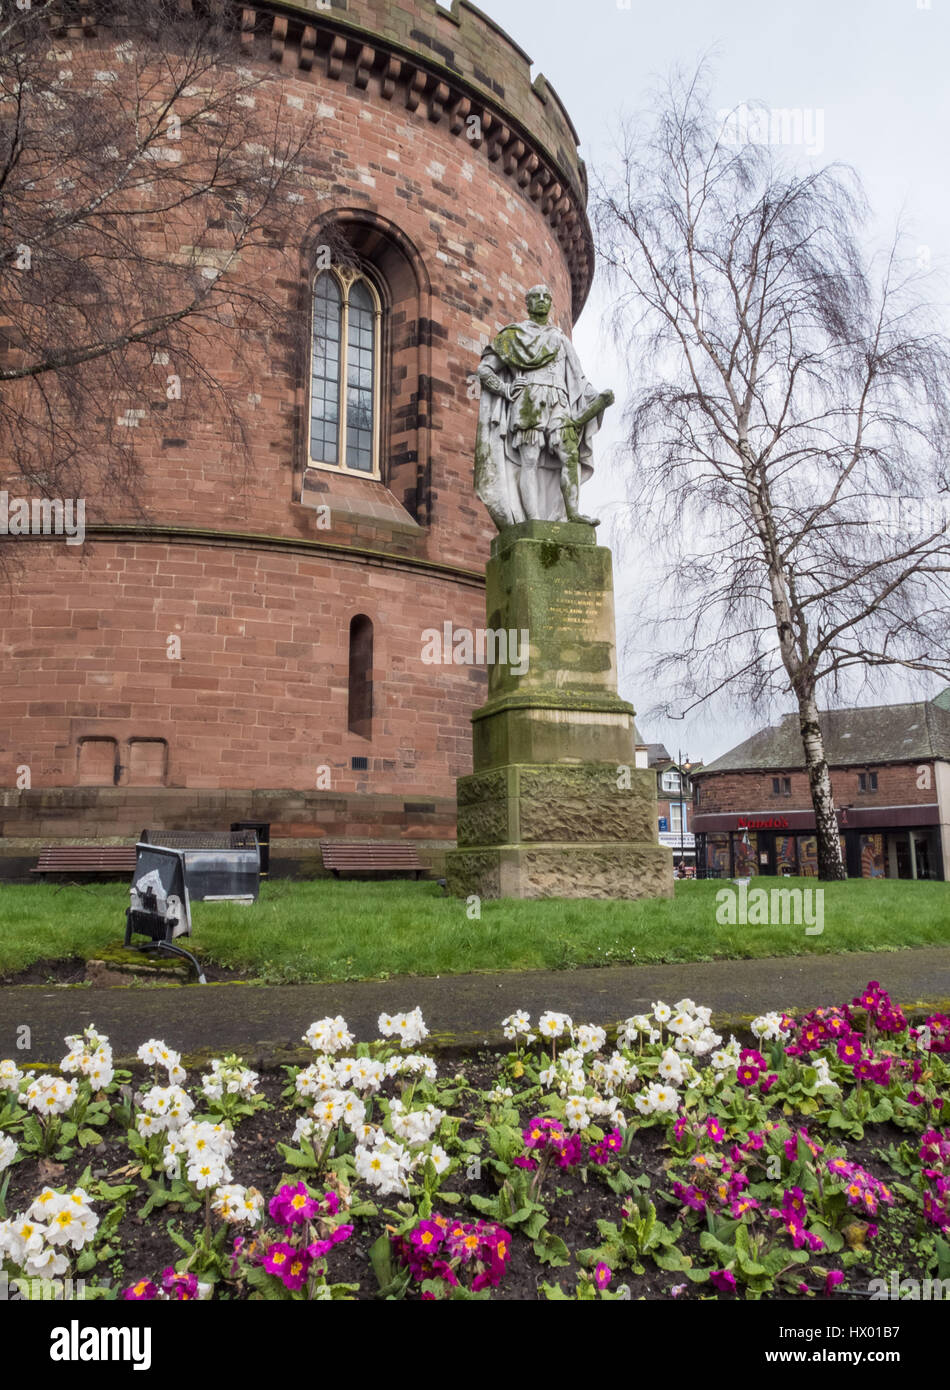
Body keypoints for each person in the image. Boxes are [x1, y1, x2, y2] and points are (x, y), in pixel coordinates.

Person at [474, 284, 613, 530]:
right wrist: (505, 390)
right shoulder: (514, 336)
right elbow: (485, 369)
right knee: (529, 460)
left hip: (559, 402)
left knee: (569, 455)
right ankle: (534, 520)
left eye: (545, 297)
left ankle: (572, 513)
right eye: (535, 297)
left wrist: (596, 397)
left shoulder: (560, 338)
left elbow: (578, 378)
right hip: (529, 401)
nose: (540, 300)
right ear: (527, 304)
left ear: (550, 303)